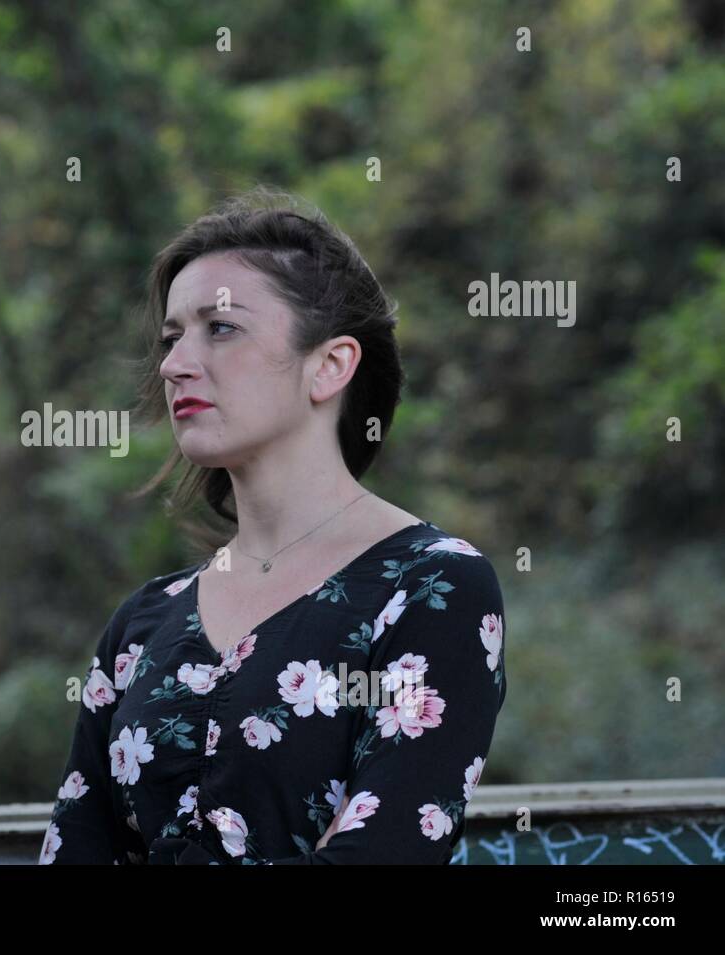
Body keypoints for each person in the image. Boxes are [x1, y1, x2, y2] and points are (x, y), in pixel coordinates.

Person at [40, 191, 506, 864]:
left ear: (330, 366)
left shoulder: (432, 586)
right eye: (171, 338)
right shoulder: (143, 622)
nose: (174, 364)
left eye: (220, 327)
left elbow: (384, 856)